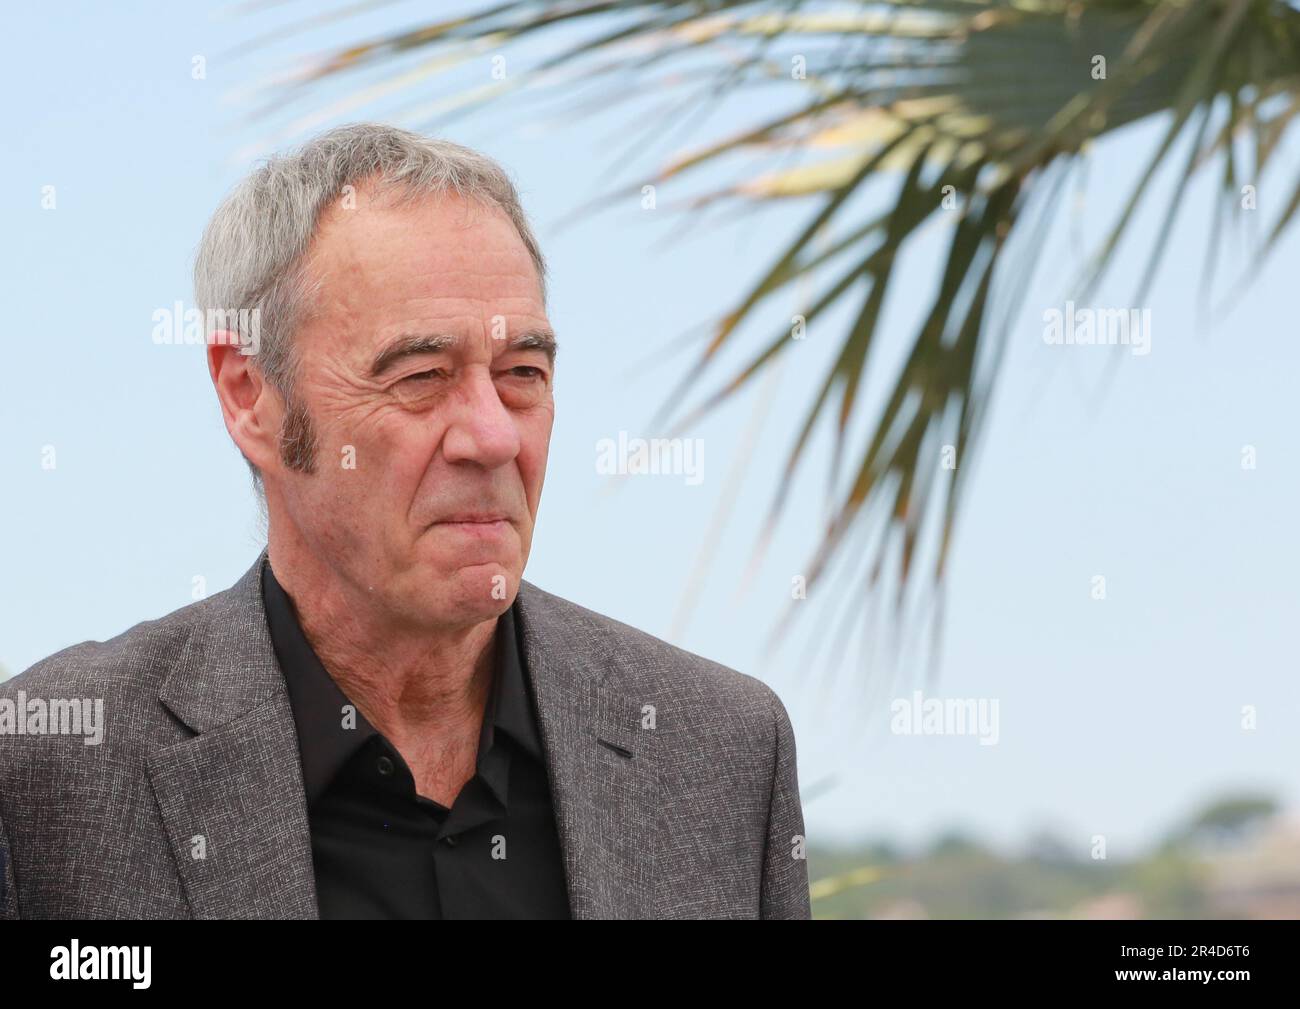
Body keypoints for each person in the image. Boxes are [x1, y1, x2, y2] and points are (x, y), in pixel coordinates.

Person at [0, 123, 810, 920]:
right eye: (422, 376)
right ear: (250, 395)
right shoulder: (52, 775)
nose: (494, 435)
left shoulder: (724, 754)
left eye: (522, 373)